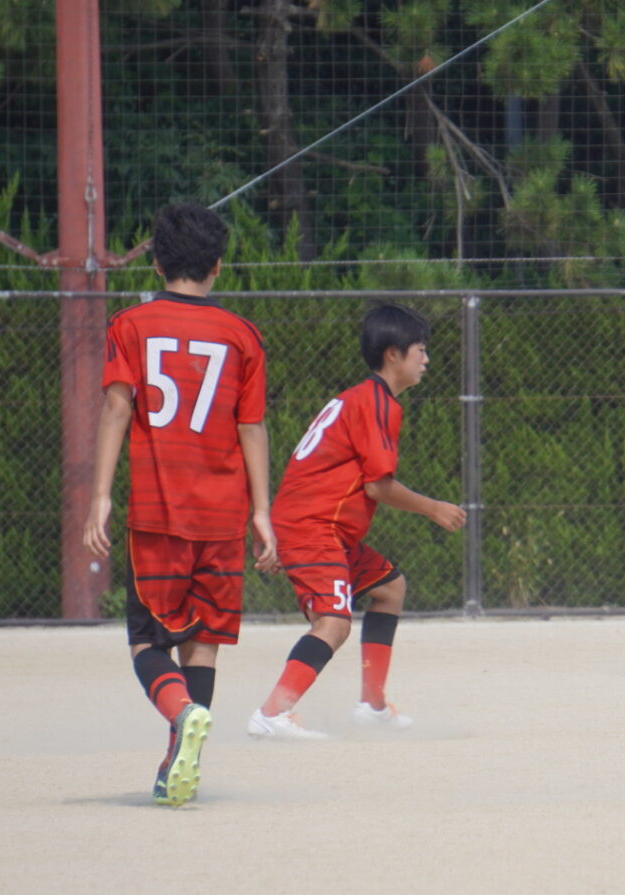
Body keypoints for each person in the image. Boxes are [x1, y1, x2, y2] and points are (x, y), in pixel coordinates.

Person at [83, 202, 279, 805]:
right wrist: (262, 512)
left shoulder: (131, 325)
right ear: (218, 265)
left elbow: (117, 407)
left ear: (157, 262)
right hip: (223, 515)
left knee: (147, 643)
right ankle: (179, 762)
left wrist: (100, 496)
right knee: (204, 641)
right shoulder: (244, 336)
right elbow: (252, 427)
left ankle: (181, 713)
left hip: (159, 513)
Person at [248, 303, 466, 740]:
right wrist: (433, 507)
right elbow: (378, 487)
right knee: (333, 622)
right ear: (393, 354)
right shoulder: (377, 404)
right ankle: (272, 713)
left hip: (316, 527)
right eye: (420, 350)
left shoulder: (358, 397)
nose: (426, 359)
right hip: (315, 528)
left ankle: (372, 705)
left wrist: (275, 531)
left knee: (389, 588)